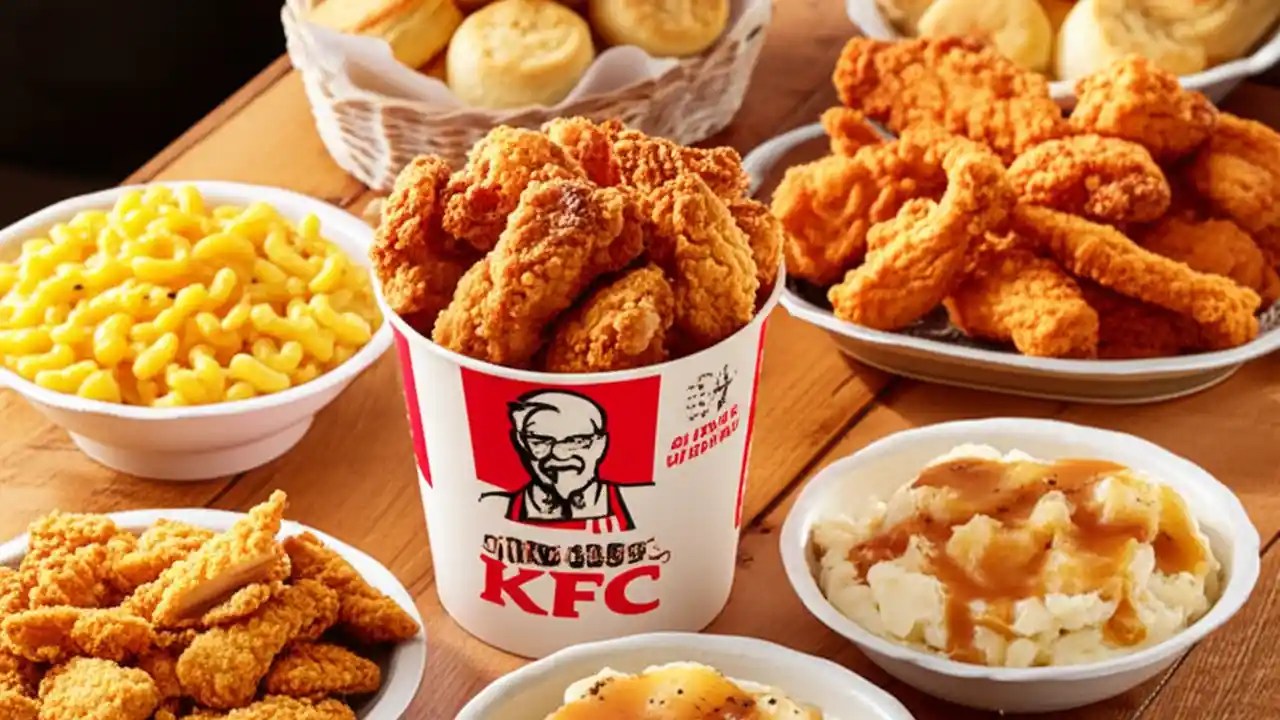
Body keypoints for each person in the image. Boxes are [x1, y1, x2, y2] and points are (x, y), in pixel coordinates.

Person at [482, 390, 639, 533]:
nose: (559, 454)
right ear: (521, 443)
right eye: (541, 441)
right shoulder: (493, 508)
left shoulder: (636, 503)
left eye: (576, 441)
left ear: (600, 444)